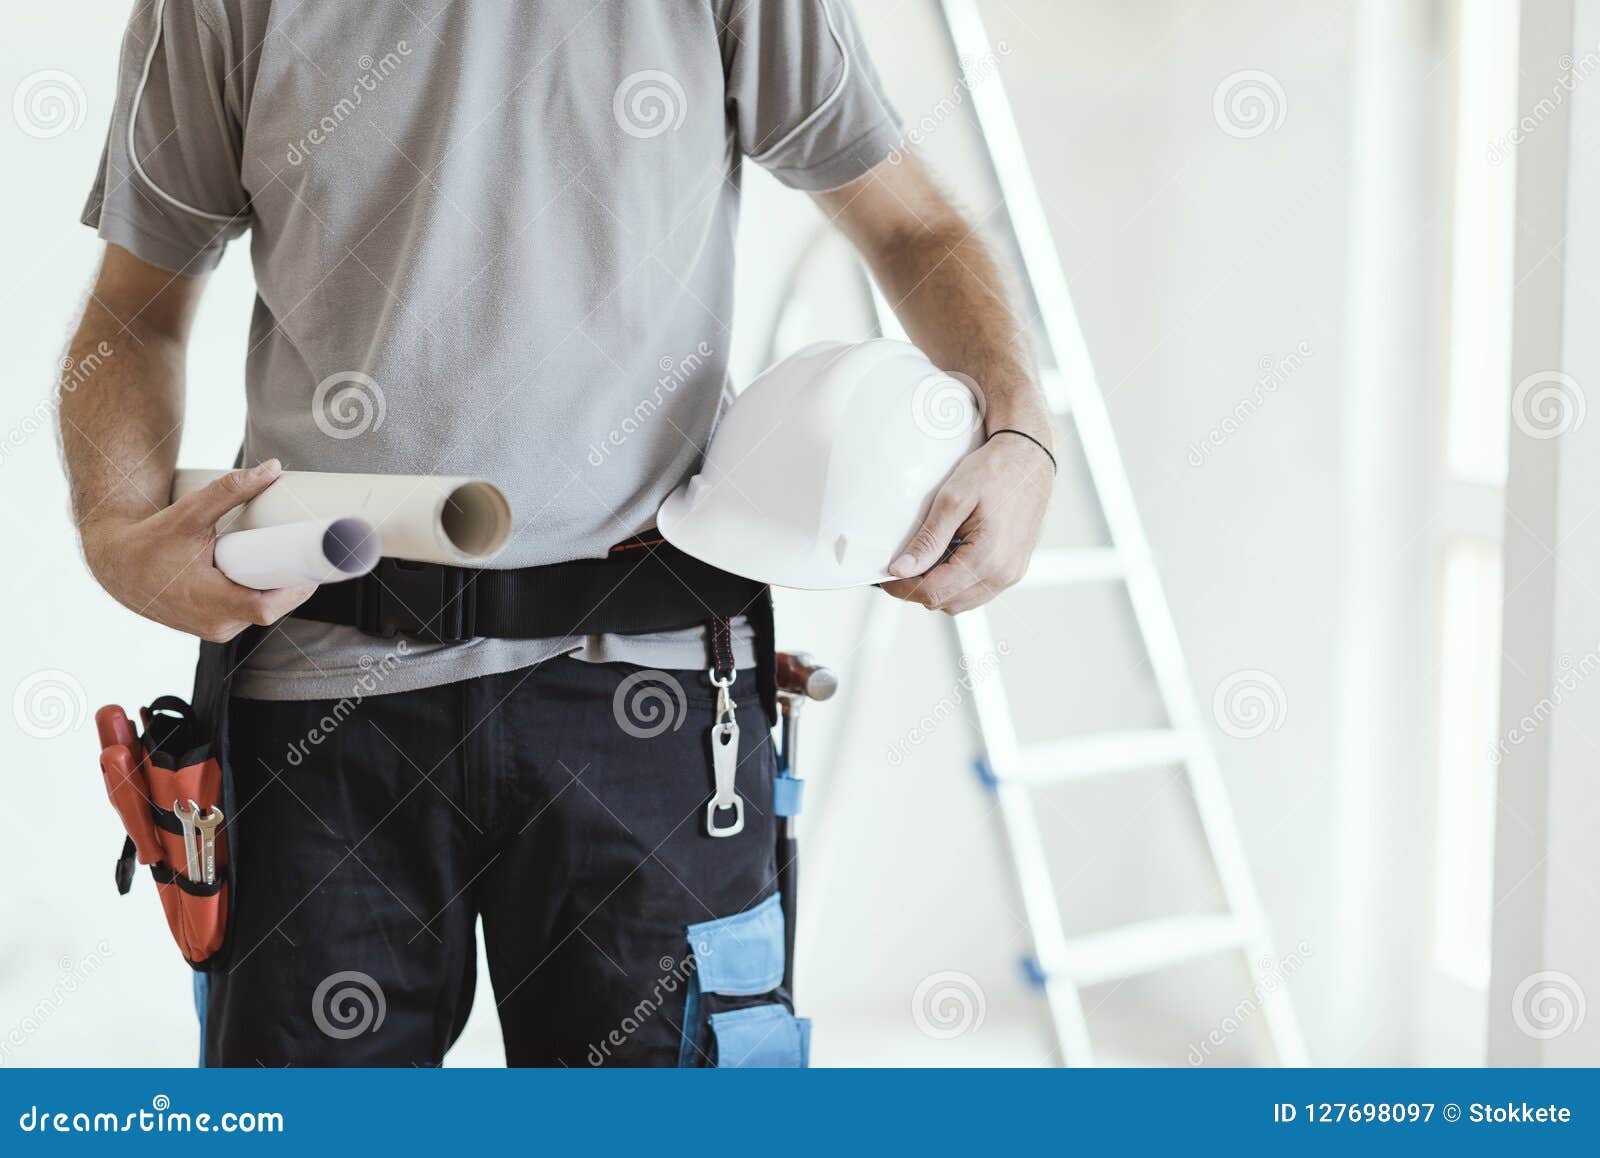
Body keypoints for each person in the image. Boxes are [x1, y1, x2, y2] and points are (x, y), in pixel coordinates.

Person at [59, 0, 1054, 1066]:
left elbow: (911, 227)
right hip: (326, 693)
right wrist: (118, 533)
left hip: (656, 699)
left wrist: (1019, 428)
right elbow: (137, 310)